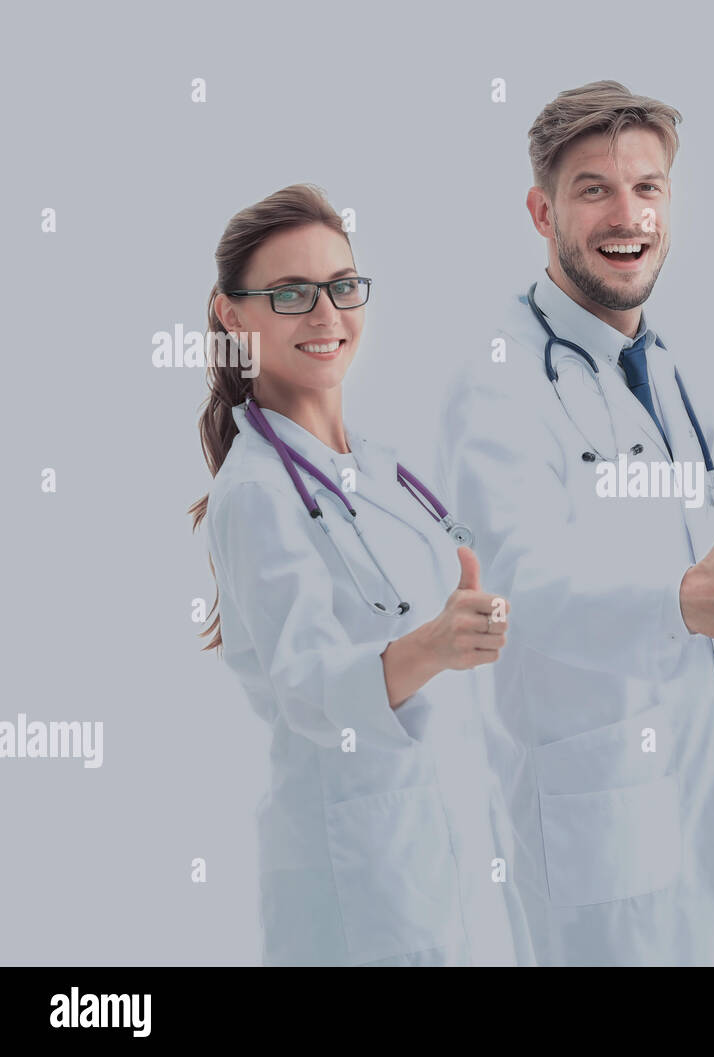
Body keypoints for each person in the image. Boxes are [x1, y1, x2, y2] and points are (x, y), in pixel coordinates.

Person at [438, 82, 714, 965]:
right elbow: (513, 583)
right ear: (542, 210)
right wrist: (678, 601)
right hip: (598, 829)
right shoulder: (500, 382)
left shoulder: (676, 373)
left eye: (647, 187)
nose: (626, 213)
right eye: (593, 188)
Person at [190, 184, 528, 966]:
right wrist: (436, 644)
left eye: (342, 286)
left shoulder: (380, 471)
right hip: (353, 877)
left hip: (444, 853)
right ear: (233, 314)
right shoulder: (255, 493)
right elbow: (310, 686)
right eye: (291, 294)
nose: (326, 315)